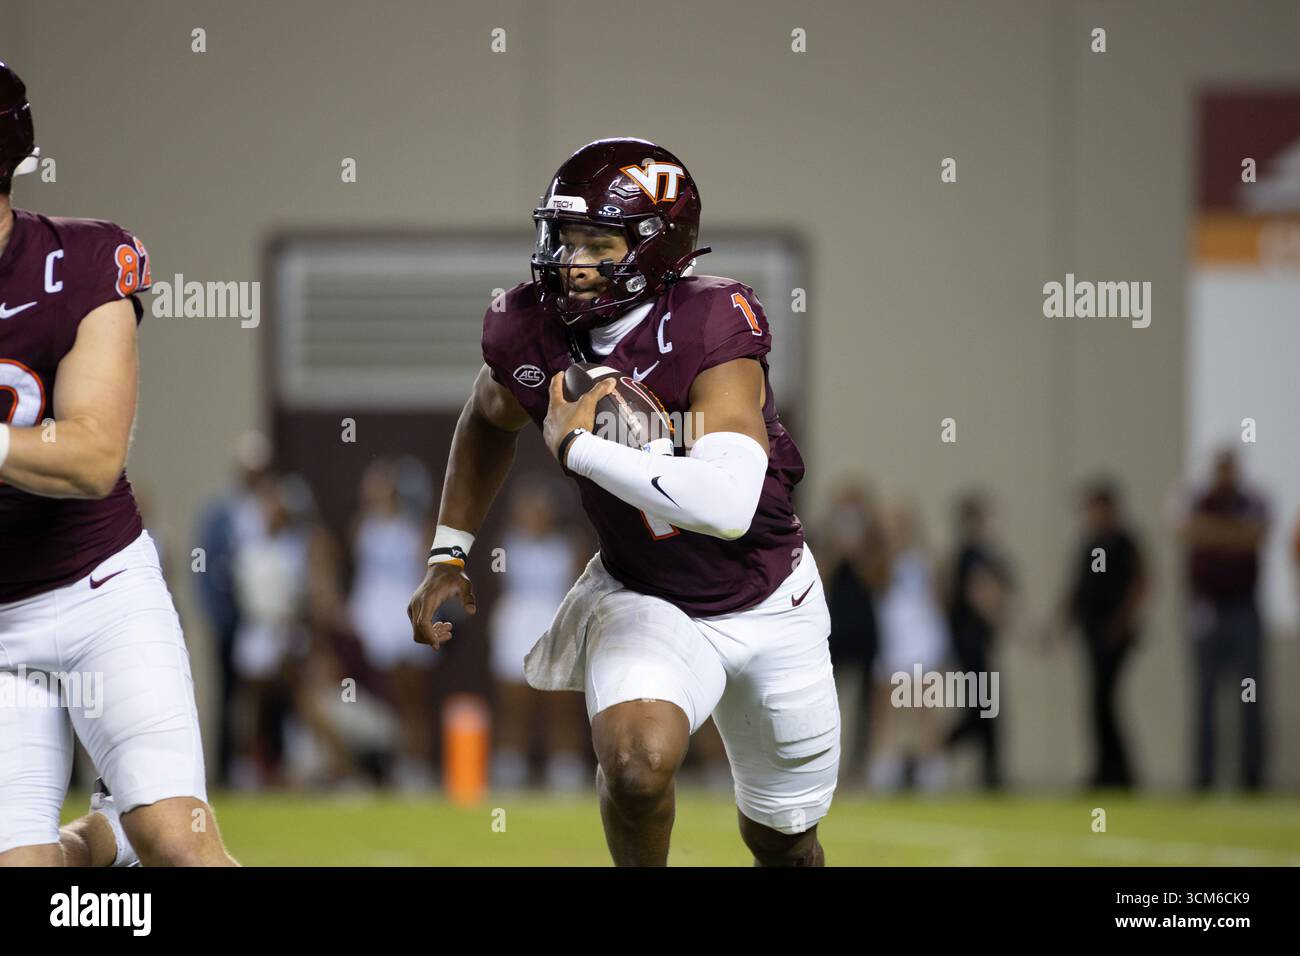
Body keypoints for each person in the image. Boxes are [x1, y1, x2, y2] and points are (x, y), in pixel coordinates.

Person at [408, 138, 837, 866]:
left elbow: (730, 501)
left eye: (596, 243)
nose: (571, 261)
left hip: (769, 598)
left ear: (657, 249)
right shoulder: (531, 328)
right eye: (562, 238)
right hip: (644, 593)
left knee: (784, 841)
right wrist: (450, 550)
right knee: (636, 765)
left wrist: (581, 450)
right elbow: (487, 415)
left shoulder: (713, 325)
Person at [0, 62, 235, 865]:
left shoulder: (80, 262)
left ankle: (124, 833)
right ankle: (100, 841)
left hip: (98, 591)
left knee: (180, 845)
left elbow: (93, 456)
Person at [488, 483, 588, 791]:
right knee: (514, 702)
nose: (535, 516)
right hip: (517, 623)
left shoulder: (570, 546)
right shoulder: (506, 546)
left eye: (541, 510)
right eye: (529, 510)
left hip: (555, 621)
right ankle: (510, 767)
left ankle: (564, 767)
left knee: (560, 702)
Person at [1180, 449, 1268, 791]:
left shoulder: (1253, 501)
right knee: (1204, 696)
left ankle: (1252, 776)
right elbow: (1187, 530)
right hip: (1208, 610)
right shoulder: (1197, 501)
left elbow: (1255, 537)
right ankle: (1203, 776)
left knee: (1249, 696)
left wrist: (1214, 535)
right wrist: (1234, 536)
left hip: (1244, 609)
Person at [347, 459, 437, 790]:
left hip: (406, 612)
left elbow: (428, 573)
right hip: (372, 616)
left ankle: (415, 767)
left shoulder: (418, 529)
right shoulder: (362, 528)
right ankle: (375, 769)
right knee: (374, 698)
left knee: (412, 697)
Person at [1056, 480, 1146, 790]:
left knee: (1106, 700)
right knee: (1098, 702)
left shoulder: (1124, 543)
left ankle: (1118, 771)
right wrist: (1061, 625)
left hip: (1115, 635)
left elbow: (1140, 582)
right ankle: (1107, 769)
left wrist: (1121, 622)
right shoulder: (1089, 544)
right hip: (1092, 633)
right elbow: (1077, 589)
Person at [868, 503, 951, 792]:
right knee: (887, 708)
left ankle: (932, 771)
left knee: (925, 707)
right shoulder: (880, 560)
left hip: (923, 643)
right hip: (893, 644)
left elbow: (939, 599)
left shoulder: (923, 560)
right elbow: (877, 582)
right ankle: (884, 768)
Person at [943, 491, 1013, 790]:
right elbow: (980, 594)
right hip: (971, 644)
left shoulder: (973, 554)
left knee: (983, 710)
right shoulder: (972, 555)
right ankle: (932, 755)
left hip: (972, 643)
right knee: (984, 709)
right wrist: (1008, 625)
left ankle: (990, 773)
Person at [819, 481, 882, 786]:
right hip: (837, 626)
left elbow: (880, 579)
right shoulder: (827, 540)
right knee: (832, 697)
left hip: (865, 628)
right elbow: (821, 574)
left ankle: (860, 766)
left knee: (866, 703)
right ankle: (828, 761)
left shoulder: (873, 544)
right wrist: (837, 548)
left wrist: (859, 553)